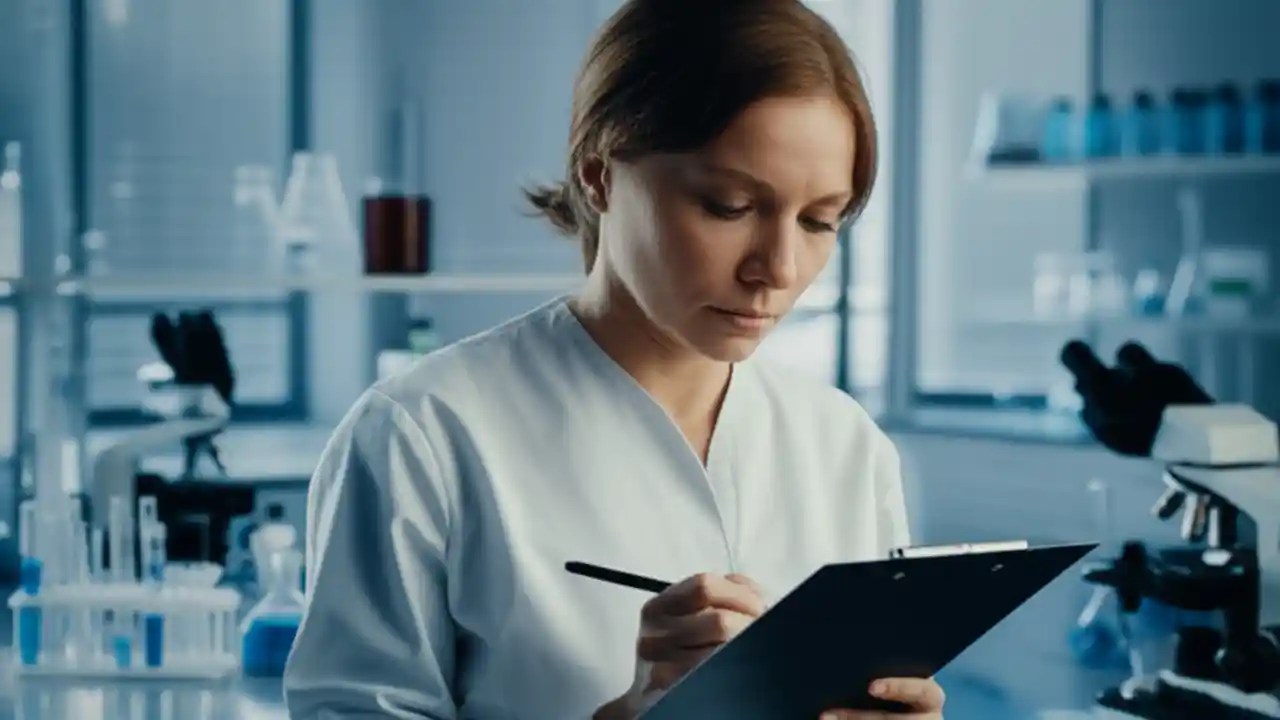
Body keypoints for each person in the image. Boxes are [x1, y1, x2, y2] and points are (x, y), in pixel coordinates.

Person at [284, 1, 946, 718]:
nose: (779, 268)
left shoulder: (845, 446)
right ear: (599, 174)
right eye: (728, 206)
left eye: (820, 221)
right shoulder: (425, 434)